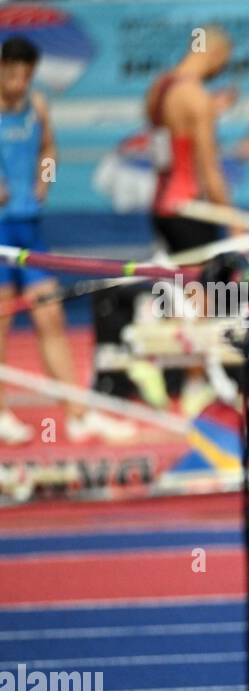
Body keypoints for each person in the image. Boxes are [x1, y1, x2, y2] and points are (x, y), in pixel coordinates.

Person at [0, 35, 133, 444]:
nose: (20, 82)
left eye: (27, 74)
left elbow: (49, 149)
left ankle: (77, 415)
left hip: (30, 226)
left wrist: (46, 179)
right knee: (3, 320)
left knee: (51, 316)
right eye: (13, 74)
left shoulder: (36, 105)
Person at [144, 23, 241, 416]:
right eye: (224, 62)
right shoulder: (196, 99)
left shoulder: (160, 89)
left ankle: (163, 364)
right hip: (190, 208)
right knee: (201, 299)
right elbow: (209, 168)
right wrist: (232, 220)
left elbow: (171, 138)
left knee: (182, 294)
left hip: (163, 205)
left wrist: (209, 112)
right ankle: (191, 381)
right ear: (214, 54)